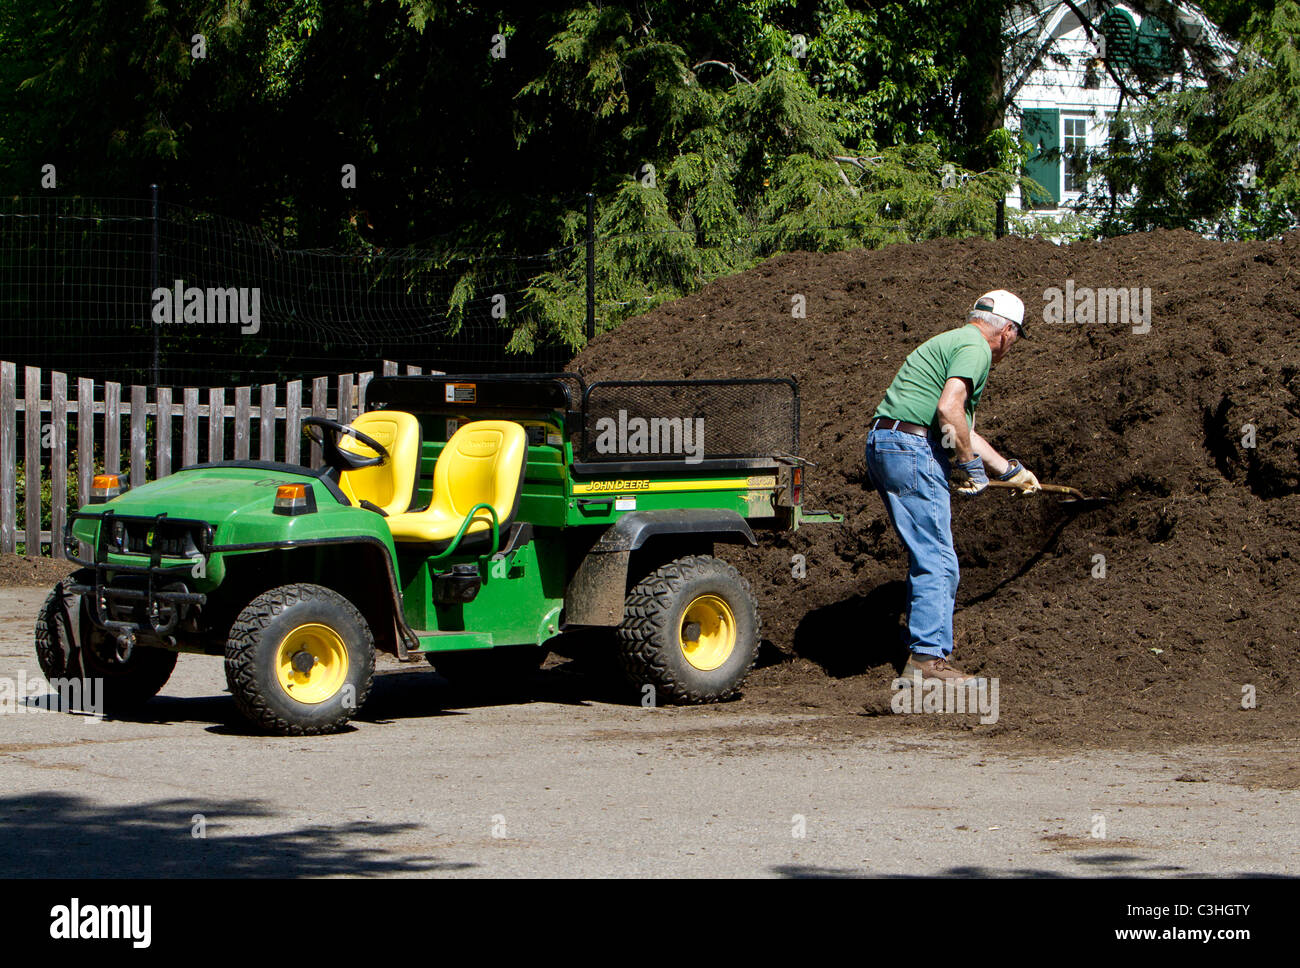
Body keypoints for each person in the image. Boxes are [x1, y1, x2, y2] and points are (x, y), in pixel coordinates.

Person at [864, 290, 1041, 683]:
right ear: (1008, 332)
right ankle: (928, 661)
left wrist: (1010, 471)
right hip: (912, 448)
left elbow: (961, 428)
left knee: (929, 552)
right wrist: (971, 468)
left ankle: (925, 657)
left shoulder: (952, 340)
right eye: (1014, 338)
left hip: (885, 443)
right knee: (939, 558)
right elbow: (949, 409)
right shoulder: (976, 346)